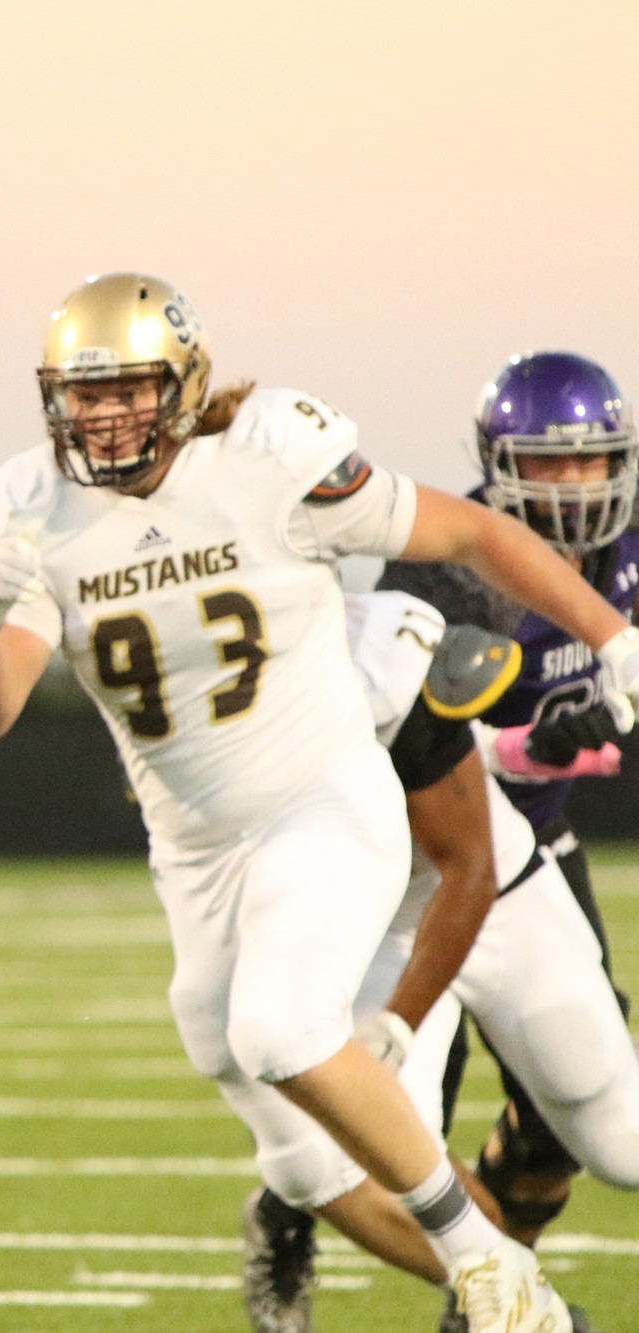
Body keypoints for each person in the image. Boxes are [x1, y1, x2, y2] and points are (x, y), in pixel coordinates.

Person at [0, 272, 639, 1333]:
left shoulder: (282, 474)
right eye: (82, 396)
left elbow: (463, 850)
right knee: (265, 1100)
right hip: (198, 851)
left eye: (129, 388)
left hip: (335, 813)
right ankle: (523, 1304)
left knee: (279, 1028)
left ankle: (483, 1267)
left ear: (183, 385)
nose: (104, 416)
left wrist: (609, 635)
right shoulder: (32, 504)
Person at [236, 591, 635, 1333]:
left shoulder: (383, 646)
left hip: (487, 883)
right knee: (342, 1163)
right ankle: (507, 1299)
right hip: (364, 916)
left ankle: (500, 1284)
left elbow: (468, 869)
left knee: (622, 1138)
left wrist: (400, 1021)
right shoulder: (214, 707)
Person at [376, 351, 639, 1265]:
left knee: (579, 1097)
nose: (571, 481)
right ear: (496, 461)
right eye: (547, 460)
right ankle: (293, 1210)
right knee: (406, 1112)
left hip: (541, 842)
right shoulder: (451, 561)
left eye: (587, 458)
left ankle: (489, 1297)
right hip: (431, 845)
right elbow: (400, 734)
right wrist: (529, 745)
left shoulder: (630, 546)